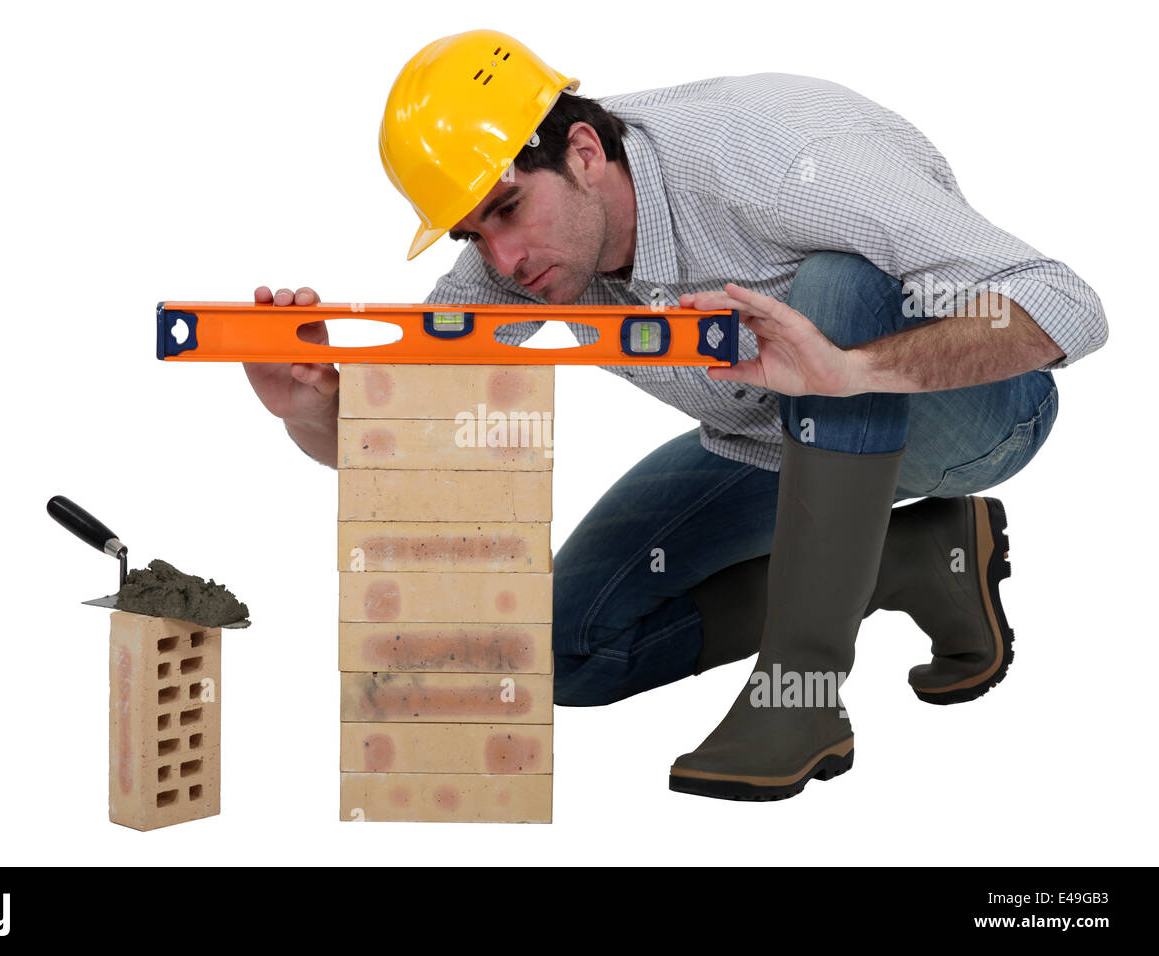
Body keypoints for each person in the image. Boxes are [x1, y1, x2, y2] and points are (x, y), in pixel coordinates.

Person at [243, 29, 1106, 801]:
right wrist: (316, 406)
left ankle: (799, 692)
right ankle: (922, 558)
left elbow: (1062, 308)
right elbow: (417, 429)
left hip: (971, 413)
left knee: (838, 287)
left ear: (582, 149)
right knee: (563, 648)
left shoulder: (782, 167)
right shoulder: (519, 259)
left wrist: (848, 369)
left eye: (507, 209)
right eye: (473, 236)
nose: (502, 256)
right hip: (773, 444)